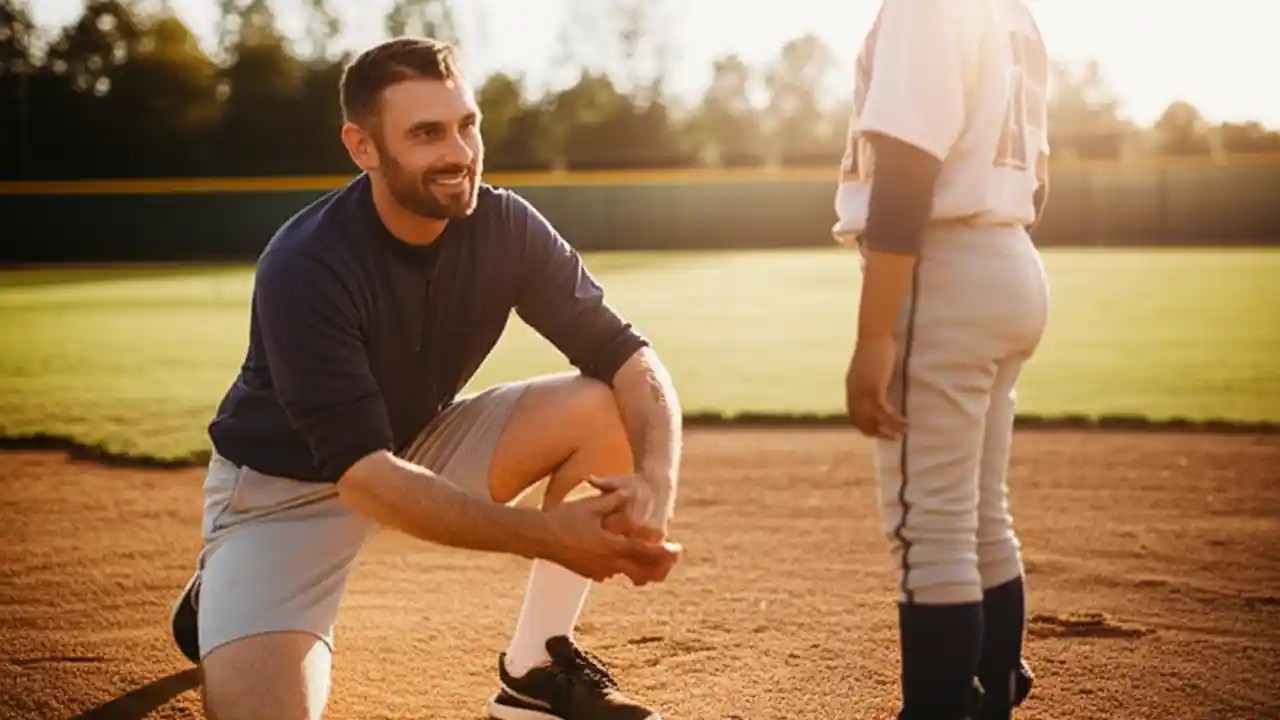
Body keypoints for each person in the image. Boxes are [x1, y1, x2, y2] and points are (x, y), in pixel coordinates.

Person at [169, 37, 682, 720]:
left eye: (467, 124)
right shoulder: (307, 262)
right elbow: (362, 477)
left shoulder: (504, 225)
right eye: (426, 134)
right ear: (363, 147)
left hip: (417, 445)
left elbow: (630, 359)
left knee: (604, 404)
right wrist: (551, 535)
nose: (459, 152)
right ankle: (222, 593)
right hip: (283, 497)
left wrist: (656, 478)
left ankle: (534, 670)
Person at [833, 1, 1052, 718]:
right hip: (1012, 256)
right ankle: (991, 691)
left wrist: (873, 337)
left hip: (944, 262)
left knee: (929, 531)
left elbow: (906, 167)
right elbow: (1037, 178)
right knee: (981, 514)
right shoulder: (1011, 12)